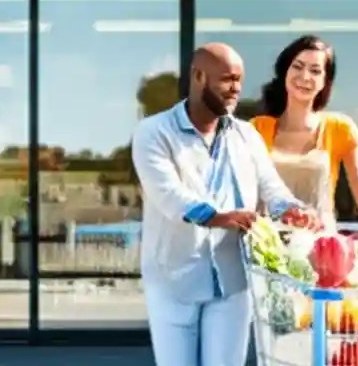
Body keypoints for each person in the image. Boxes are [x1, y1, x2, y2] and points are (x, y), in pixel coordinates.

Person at [132, 42, 318, 366]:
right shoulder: (154, 133)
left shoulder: (246, 135)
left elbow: (272, 188)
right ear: (199, 76)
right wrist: (221, 218)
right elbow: (169, 195)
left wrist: (291, 209)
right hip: (174, 280)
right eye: (227, 80)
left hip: (232, 280)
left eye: (240, 81)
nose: (236, 90)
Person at [249, 35, 358, 228]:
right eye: (297, 66)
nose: (305, 77)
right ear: (285, 72)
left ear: (325, 82)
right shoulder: (256, 129)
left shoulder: (340, 129)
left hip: (319, 247)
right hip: (265, 247)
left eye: (315, 71)